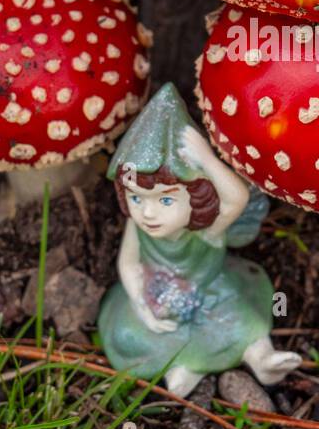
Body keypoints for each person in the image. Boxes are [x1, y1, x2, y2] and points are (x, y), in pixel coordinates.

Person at [98, 84, 302, 396]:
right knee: (128, 333)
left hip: (210, 296)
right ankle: (182, 370)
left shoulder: (205, 229)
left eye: (165, 201)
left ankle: (261, 357)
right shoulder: (137, 227)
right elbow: (126, 263)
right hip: (157, 302)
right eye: (136, 199)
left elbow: (236, 199)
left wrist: (206, 160)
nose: (148, 213)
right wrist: (141, 304)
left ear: (197, 197)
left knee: (240, 318)